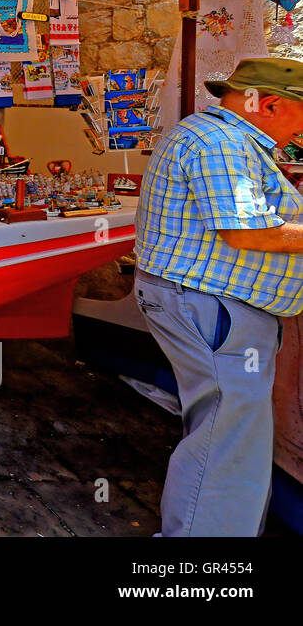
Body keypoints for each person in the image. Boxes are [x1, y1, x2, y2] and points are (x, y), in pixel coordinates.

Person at [134, 57, 303, 536]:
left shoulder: (221, 138)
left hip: (211, 304)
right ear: (269, 104)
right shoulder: (221, 144)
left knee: (230, 435)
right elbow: (247, 231)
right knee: (226, 440)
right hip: (213, 306)